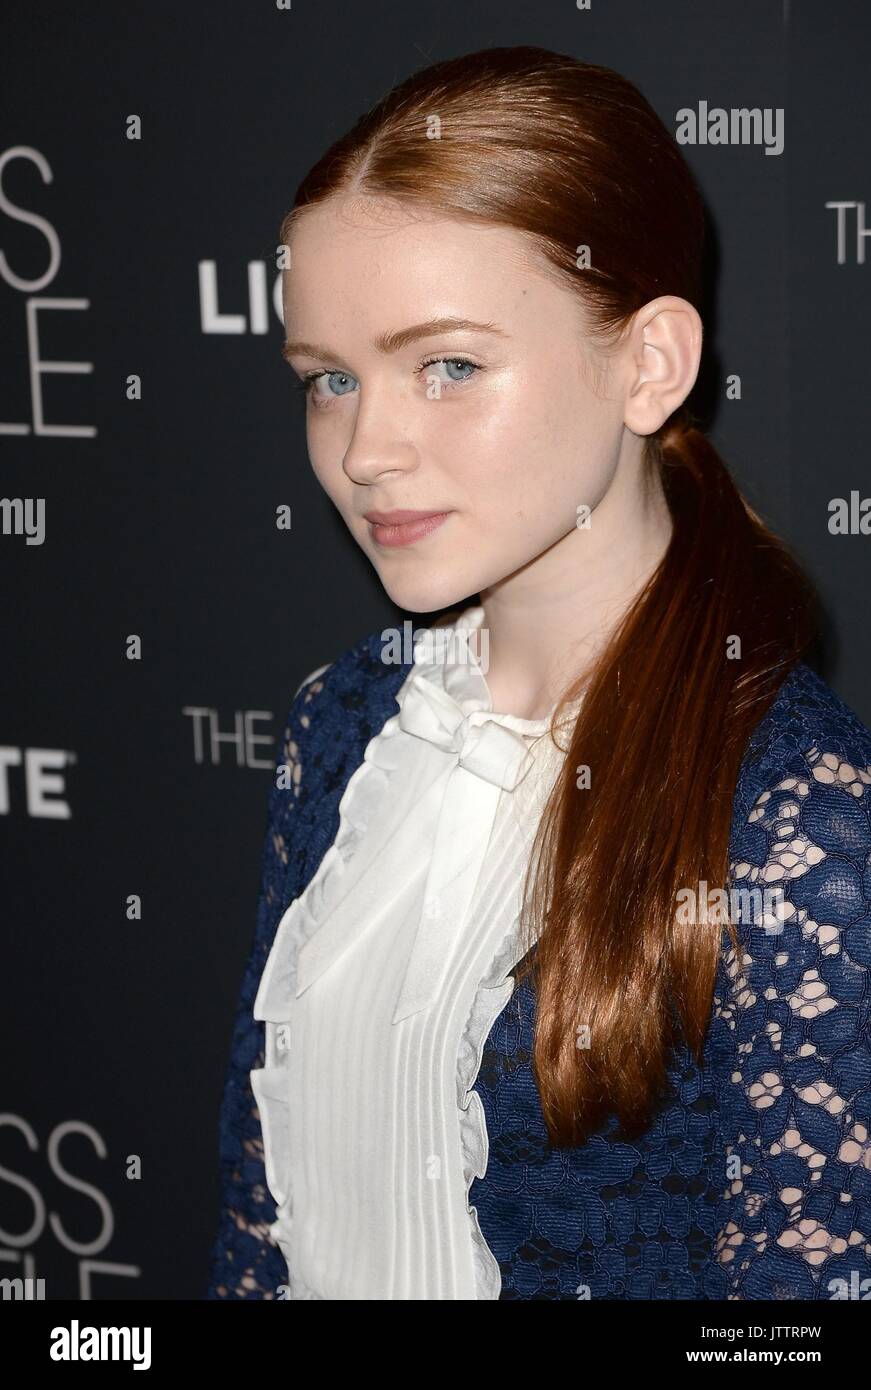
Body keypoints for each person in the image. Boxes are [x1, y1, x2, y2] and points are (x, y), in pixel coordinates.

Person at [207, 46, 871, 1301]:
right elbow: (258, 1225)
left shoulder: (803, 832)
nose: (363, 450)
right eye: (329, 381)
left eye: (446, 365)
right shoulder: (340, 727)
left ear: (649, 364)